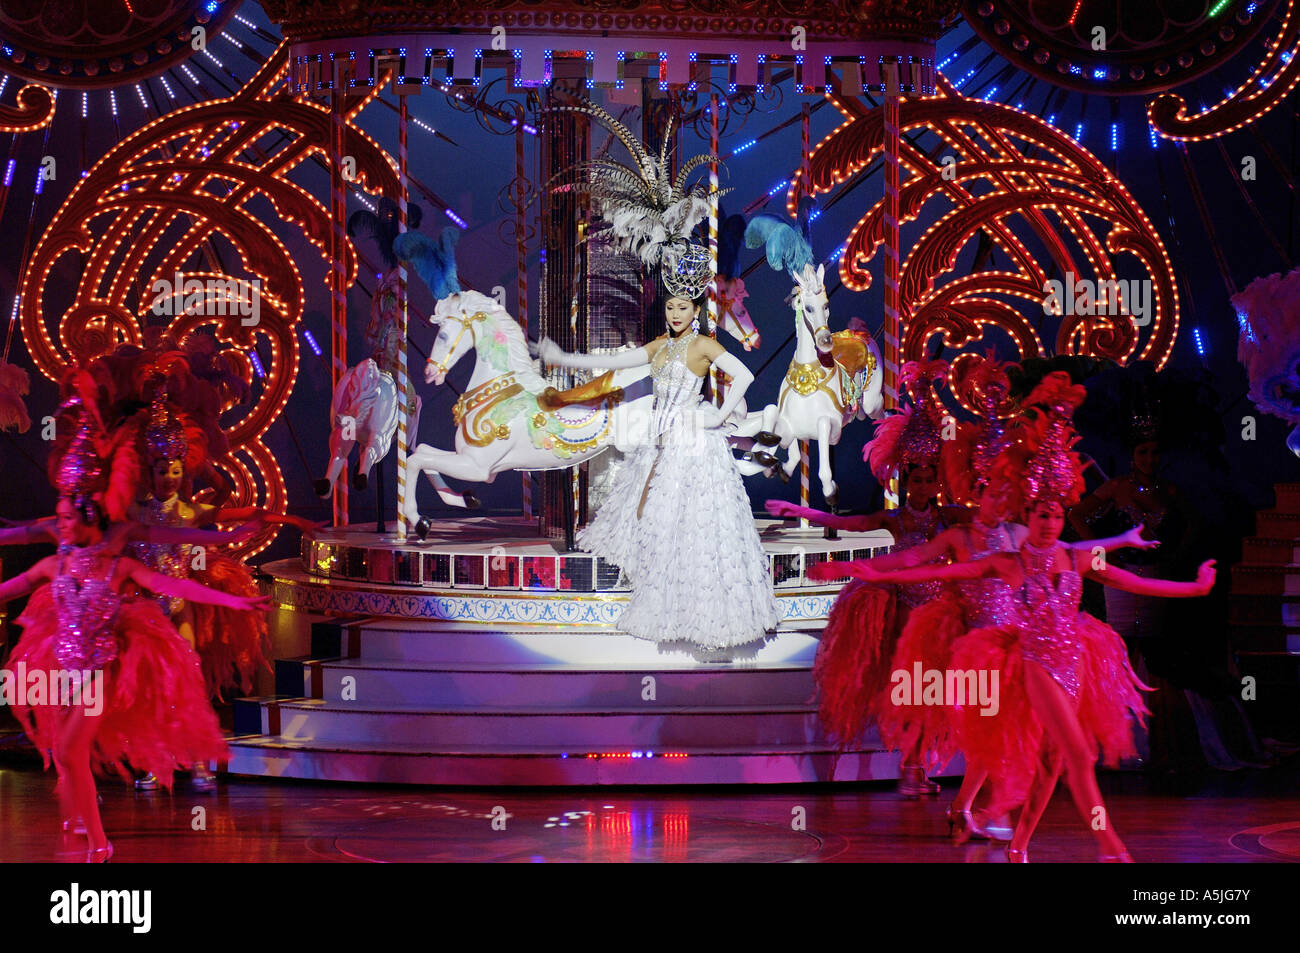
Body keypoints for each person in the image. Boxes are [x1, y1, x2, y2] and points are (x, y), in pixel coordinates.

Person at [846, 374, 1216, 861]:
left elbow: (1136, 583)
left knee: (1053, 761)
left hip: (1072, 666)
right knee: (1081, 755)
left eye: (1055, 516)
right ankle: (1111, 847)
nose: (1047, 523)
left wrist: (1195, 586)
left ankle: (1019, 847)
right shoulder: (1011, 562)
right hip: (1032, 665)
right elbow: (937, 570)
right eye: (1040, 514)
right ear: (1032, 513)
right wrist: (870, 573)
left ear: (1063, 518)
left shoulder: (1076, 559)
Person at [1, 440, 268, 861]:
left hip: (99, 675)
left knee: (70, 752)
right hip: (66, 671)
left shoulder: (116, 564)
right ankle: (77, 823)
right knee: (66, 754)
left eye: (68, 518)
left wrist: (233, 601)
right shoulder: (55, 565)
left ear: (88, 515)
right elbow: (10, 587)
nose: (60, 525)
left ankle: (100, 844)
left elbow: (174, 585)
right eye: (61, 518)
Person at [540, 280, 778, 649]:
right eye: (670, 308)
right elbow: (612, 363)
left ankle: (697, 615)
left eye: (683, 307)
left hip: (691, 445)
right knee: (645, 516)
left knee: (689, 527)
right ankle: (657, 591)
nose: (676, 314)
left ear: (696, 310)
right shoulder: (660, 346)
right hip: (657, 443)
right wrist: (565, 359)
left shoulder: (703, 344)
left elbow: (744, 375)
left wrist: (718, 417)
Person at [781, 359, 967, 796]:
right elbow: (849, 525)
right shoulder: (897, 520)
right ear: (907, 481)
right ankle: (910, 768)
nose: (922, 486)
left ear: (936, 480)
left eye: (929, 478)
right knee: (912, 692)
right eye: (916, 479)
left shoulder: (952, 518)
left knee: (935, 695)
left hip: (942, 620)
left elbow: (996, 517)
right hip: (906, 618)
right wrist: (798, 511)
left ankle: (919, 768)